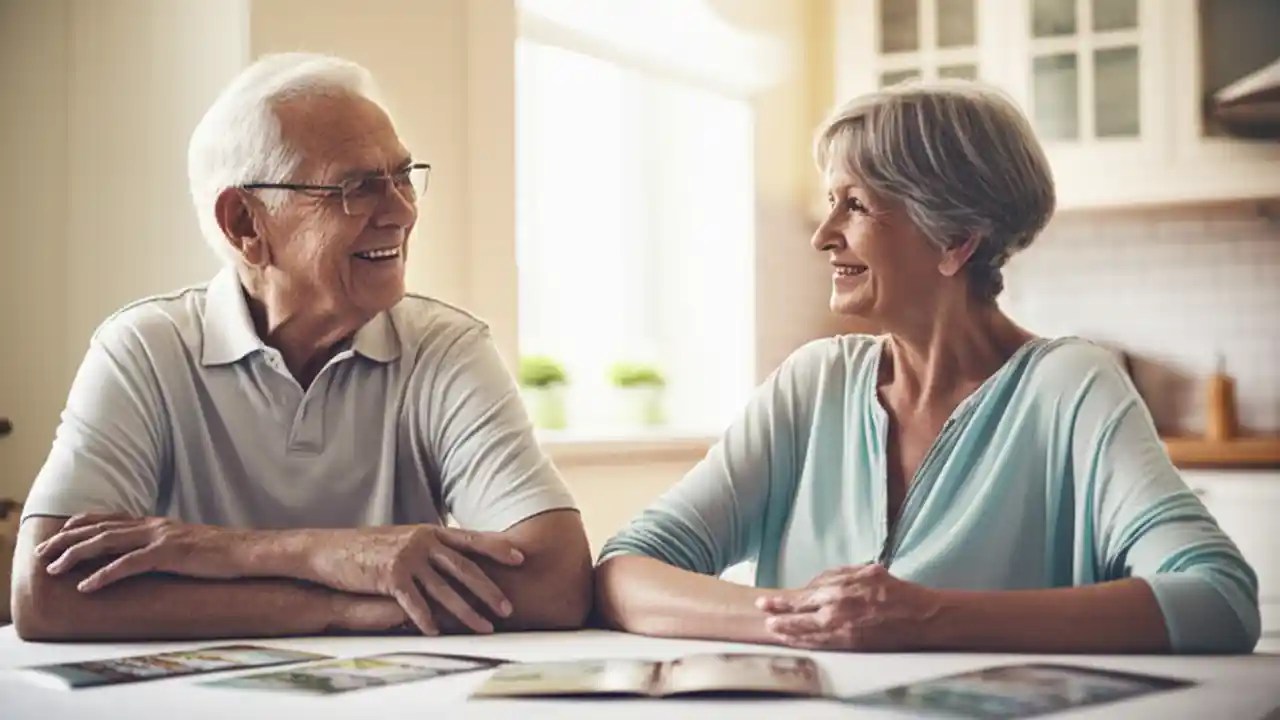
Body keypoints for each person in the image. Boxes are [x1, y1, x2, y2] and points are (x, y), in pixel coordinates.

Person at [594, 81, 1259, 654]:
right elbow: (626, 570)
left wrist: (928, 617)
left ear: (955, 241)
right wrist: (809, 623)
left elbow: (1217, 599)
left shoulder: (1071, 388)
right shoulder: (813, 384)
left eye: (854, 204)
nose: (824, 234)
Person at [12, 53, 591, 641]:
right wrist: (325, 572)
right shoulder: (144, 350)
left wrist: (217, 555)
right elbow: (47, 593)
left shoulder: (447, 350)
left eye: (403, 176)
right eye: (358, 188)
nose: (403, 211)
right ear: (245, 222)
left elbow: (556, 581)